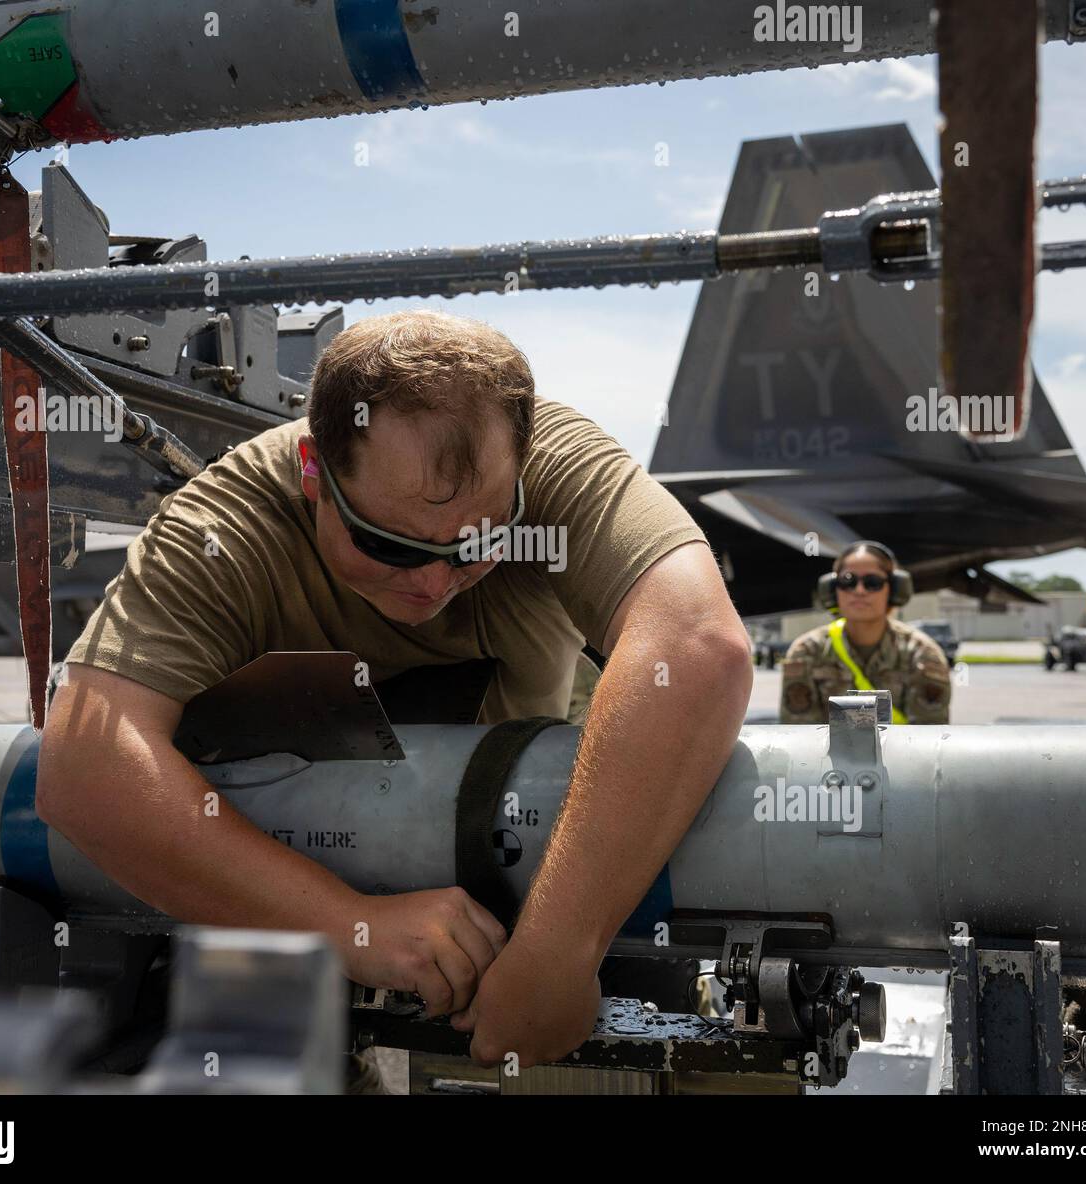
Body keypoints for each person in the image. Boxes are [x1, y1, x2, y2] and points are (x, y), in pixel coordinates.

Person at [37, 308, 754, 1074]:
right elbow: (83, 766)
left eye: (478, 544)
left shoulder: (554, 462)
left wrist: (559, 949)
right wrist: (349, 928)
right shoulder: (226, 525)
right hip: (289, 877)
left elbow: (699, 648)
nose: (434, 583)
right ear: (314, 471)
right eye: (387, 544)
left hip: (546, 868)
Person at [779, 541, 951, 724]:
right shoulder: (808, 651)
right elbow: (799, 732)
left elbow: (927, 735)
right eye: (848, 581)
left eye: (872, 582)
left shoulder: (921, 654)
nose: (859, 590)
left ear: (894, 590)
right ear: (832, 590)